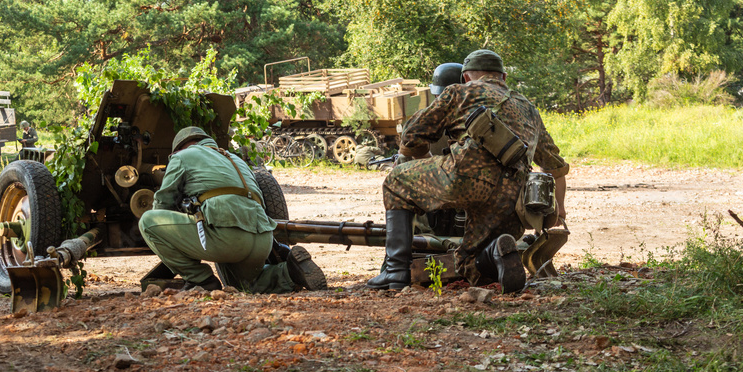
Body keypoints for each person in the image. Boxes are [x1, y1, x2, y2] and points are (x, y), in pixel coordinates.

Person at [367, 49, 568, 294]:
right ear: (503, 77)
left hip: (465, 176)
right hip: (514, 198)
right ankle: (496, 252)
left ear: (465, 77)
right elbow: (556, 167)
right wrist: (560, 209)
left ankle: (395, 271)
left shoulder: (459, 92)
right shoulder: (529, 109)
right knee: (470, 265)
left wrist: (422, 162)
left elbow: (411, 136)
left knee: (396, 182)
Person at [138, 126, 327, 293]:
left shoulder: (182, 156)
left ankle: (201, 280)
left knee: (148, 222)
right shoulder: (236, 159)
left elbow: (163, 203)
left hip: (228, 237)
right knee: (245, 285)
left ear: (179, 148)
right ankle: (291, 272)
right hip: (262, 239)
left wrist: (175, 235)